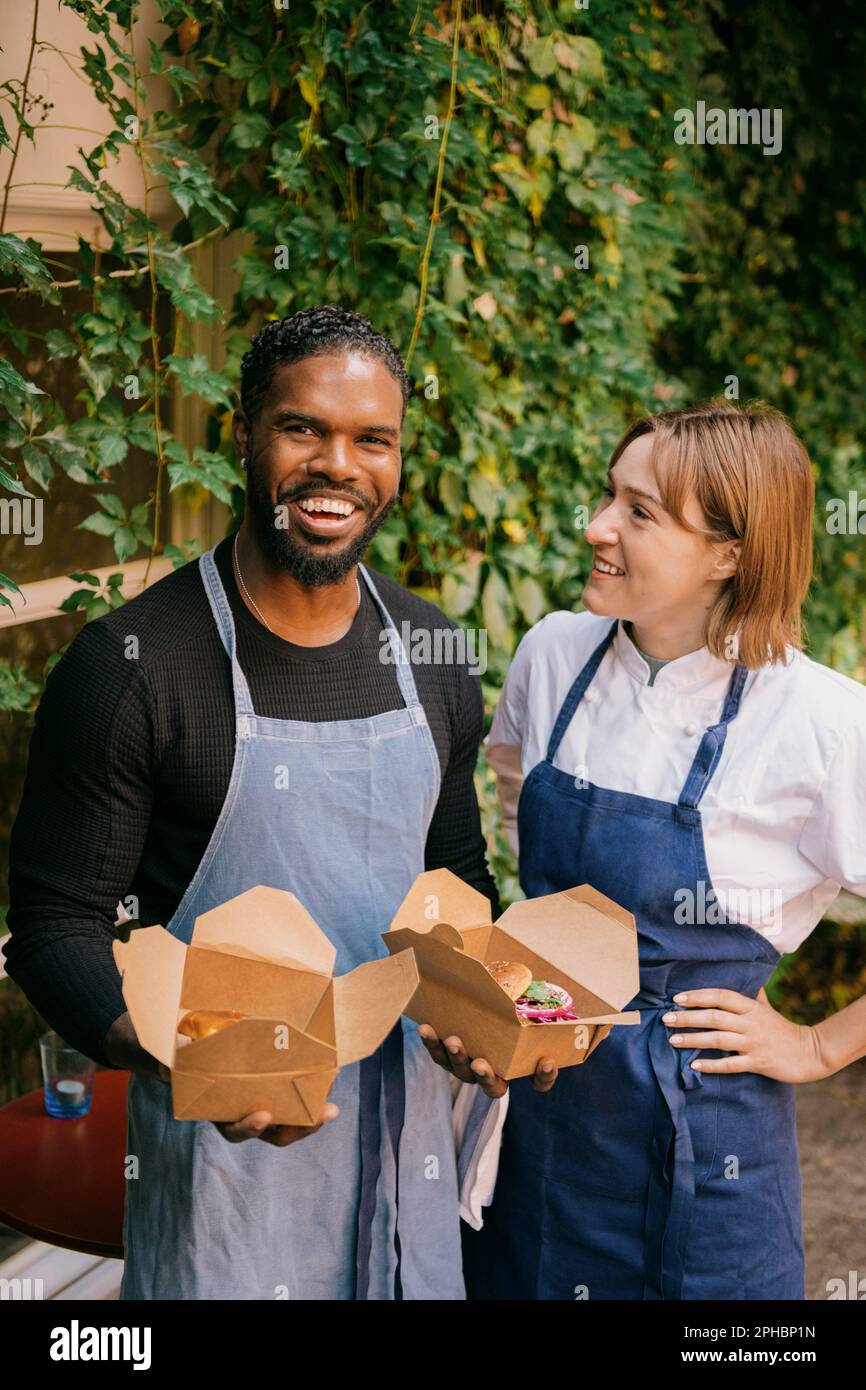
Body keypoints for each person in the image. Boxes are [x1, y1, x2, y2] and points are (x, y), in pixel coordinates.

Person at [4, 304, 500, 1301]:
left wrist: (484, 1008)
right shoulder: (134, 666)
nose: (338, 466)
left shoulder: (433, 653)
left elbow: (451, 880)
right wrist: (192, 1059)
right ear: (241, 433)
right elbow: (54, 928)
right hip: (224, 1187)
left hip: (407, 1164)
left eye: (371, 439)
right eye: (301, 428)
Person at [423, 400, 866, 1300]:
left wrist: (818, 1047)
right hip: (540, 1131)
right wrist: (509, 1004)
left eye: (640, 512)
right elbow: (519, 821)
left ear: (729, 554)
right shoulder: (554, 655)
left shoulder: (820, 722)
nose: (598, 528)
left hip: (709, 1167)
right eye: (608, 497)